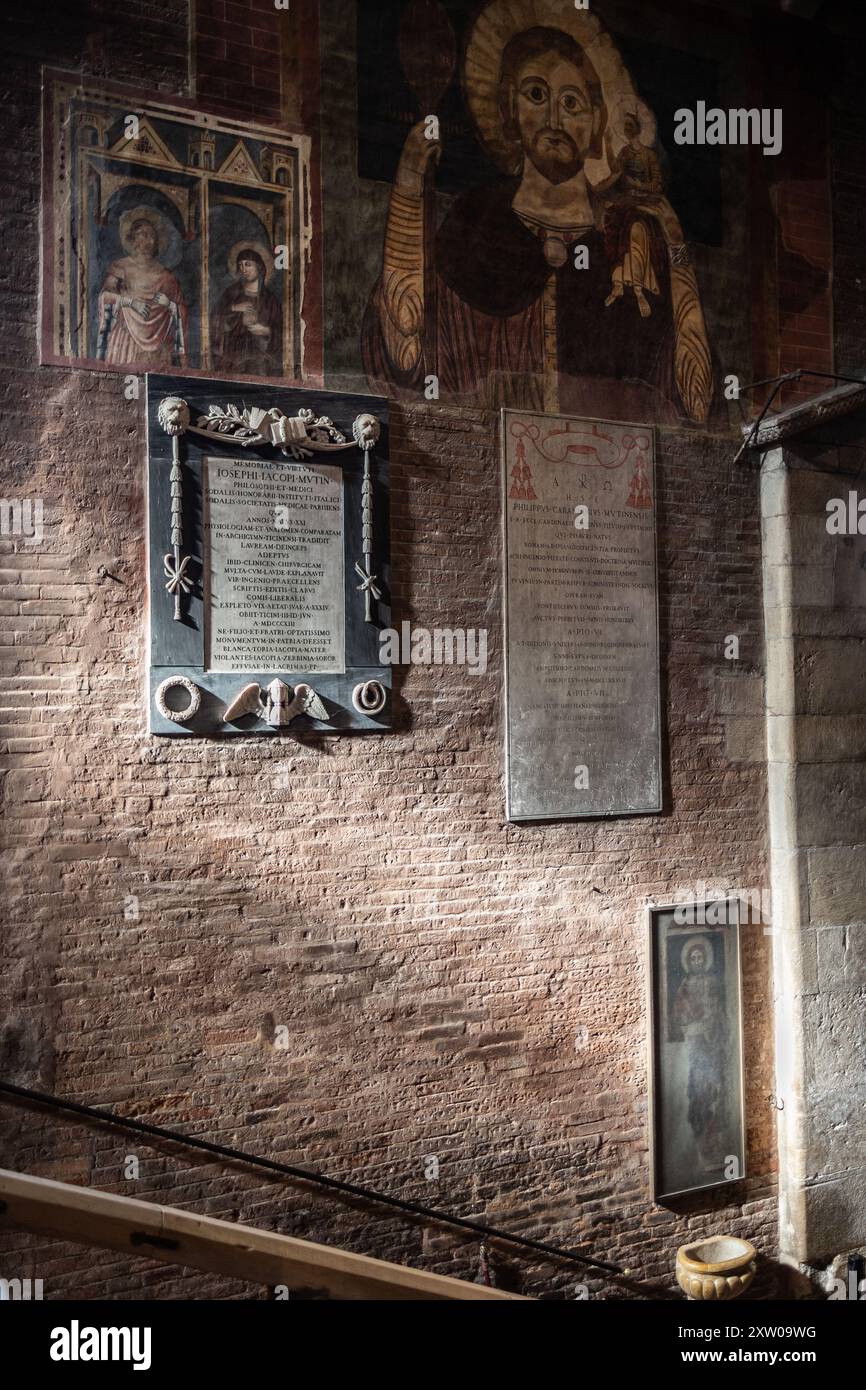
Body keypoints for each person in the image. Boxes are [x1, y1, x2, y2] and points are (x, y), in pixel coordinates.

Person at [363, 6, 713, 425]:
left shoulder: (630, 246)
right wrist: (408, 190)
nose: (553, 119)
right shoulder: (473, 223)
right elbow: (406, 347)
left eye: (572, 102)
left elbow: (695, 398)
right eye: (535, 94)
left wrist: (673, 238)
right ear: (508, 110)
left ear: (598, 120)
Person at [97, 211, 188, 368]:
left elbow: (181, 310)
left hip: (159, 346)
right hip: (127, 337)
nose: (149, 240)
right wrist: (132, 303)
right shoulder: (121, 267)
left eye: (152, 235)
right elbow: (105, 297)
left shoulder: (167, 277)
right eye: (143, 234)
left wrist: (169, 304)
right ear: (132, 238)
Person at [210, 247, 283, 376]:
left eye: (248, 264)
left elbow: (281, 328)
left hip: (261, 358)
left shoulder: (270, 299)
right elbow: (215, 317)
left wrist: (267, 331)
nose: (244, 269)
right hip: (233, 355)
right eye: (240, 265)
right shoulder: (231, 293)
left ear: (259, 267)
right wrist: (234, 308)